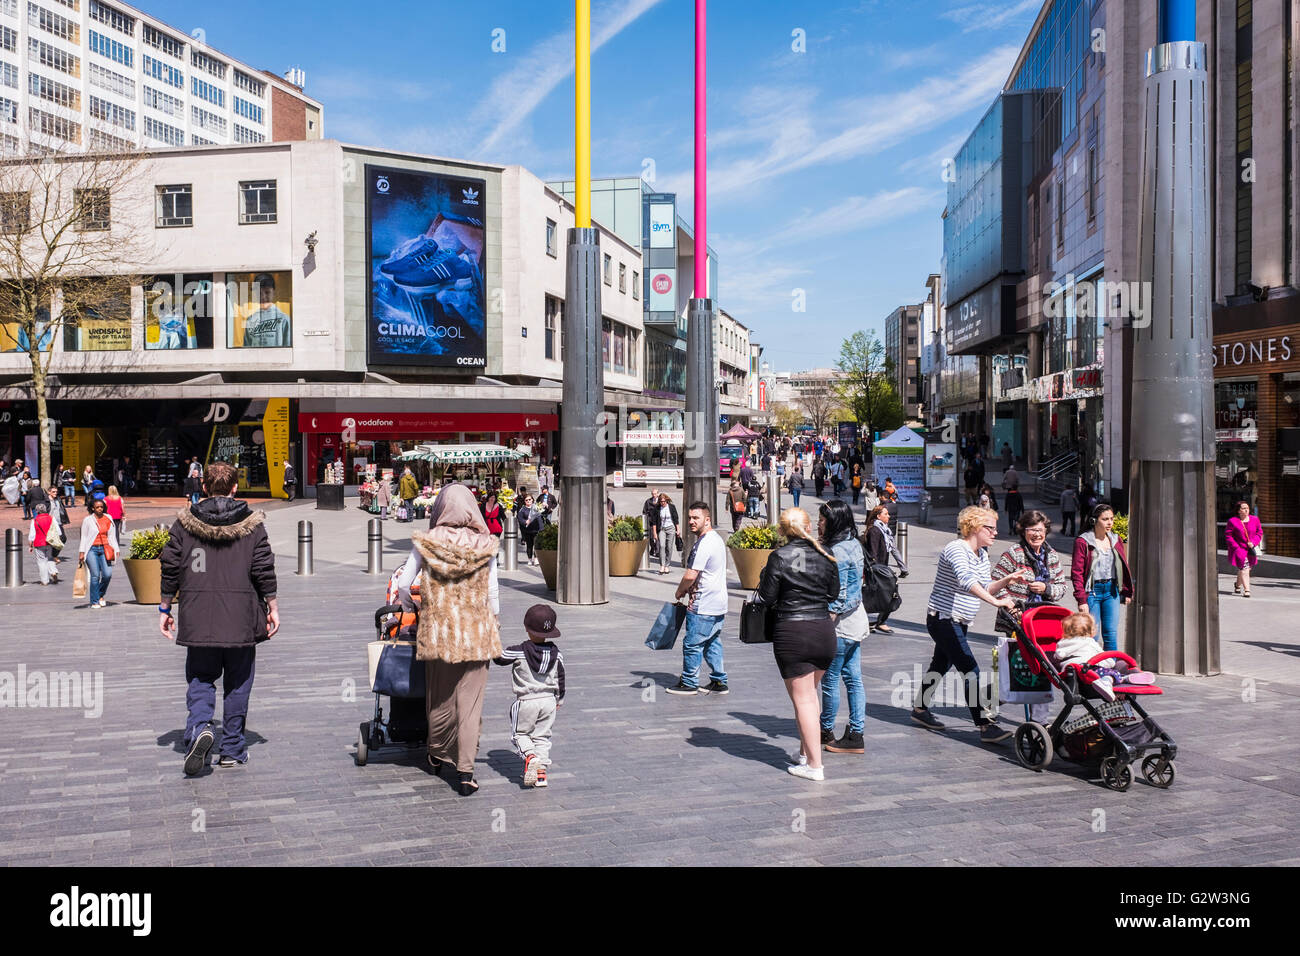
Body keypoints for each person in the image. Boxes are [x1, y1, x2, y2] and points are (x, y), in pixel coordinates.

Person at [159, 461, 278, 774]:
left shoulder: (184, 524)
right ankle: (233, 748)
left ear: (203, 487)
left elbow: (170, 565)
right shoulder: (252, 524)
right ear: (235, 488)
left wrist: (165, 607)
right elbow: (263, 567)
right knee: (238, 684)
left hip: (198, 617)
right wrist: (273, 606)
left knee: (200, 679)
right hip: (241, 619)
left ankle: (200, 728)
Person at [394, 483, 501, 796]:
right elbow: (493, 592)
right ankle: (466, 772)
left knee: (439, 698)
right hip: (477, 632)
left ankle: (436, 753)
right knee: (470, 705)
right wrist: (494, 618)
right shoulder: (486, 544)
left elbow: (403, 583)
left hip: (439, 630)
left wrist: (411, 606)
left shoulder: (426, 542)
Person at [910, 506, 1029, 742]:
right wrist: (996, 602)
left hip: (959, 620)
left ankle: (920, 710)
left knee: (940, 664)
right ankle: (985, 726)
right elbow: (966, 582)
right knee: (970, 670)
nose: (996, 533)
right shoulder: (956, 549)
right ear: (974, 527)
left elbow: (984, 586)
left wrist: (1006, 580)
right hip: (943, 618)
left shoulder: (982, 554)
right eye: (991, 528)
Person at [756, 508, 839, 781]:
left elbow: (767, 598)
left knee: (802, 699)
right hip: (823, 630)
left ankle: (815, 766)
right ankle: (805, 753)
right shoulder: (826, 555)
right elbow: (833, 592)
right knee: (810, 696)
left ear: (782, 530)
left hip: (793, 630)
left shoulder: (779, 557)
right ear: (810, 525)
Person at [493, 604, 566, 788]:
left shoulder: (519, 651)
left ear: (526, 628)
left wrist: (492, 635)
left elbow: (498, 657)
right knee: (542, 737)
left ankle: (530, 756)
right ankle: (541, 775)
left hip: (526, 701)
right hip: (549, 701)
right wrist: (559, 699)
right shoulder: (557, 655)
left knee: (520, 734)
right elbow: (561, 678)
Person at [818, 500, 868, 756]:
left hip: (840, 624)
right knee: (854, 679)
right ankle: (856, 732)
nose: (819, 523)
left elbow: (840, 594)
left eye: (823, 520)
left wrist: (828, 620)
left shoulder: (837, 550)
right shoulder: (854, 544)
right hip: (857, 620)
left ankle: (825, 729)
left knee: (830, 680)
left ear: (834, 521)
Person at [667, 502, 729, 696]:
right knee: (712, 642)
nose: (691, 522)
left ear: (707, 519)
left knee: (692, 644)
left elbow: (691, 575)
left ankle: (689, 682)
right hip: (718, 603)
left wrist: (679, 592)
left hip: (703, 604)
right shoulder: (716, 539)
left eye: (696, 518)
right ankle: (719, 681)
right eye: (690, 518)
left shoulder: (704, 543)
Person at [1070, 503, 1133, 652]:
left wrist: (1125, 590)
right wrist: (1081, 599)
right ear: (1094, 521)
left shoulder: (1115, 539)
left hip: (1111, 591)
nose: (1110, 522)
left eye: (1111, 519)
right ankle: (1092, 670)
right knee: (1092, 635)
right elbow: (1077, 572)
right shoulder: (1083, 541)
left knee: (1111, 634)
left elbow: (1122, 566)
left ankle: (1111, 669)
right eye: (1105, 519)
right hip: (1092, 592)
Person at [991, 510, 1068, 611]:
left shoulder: (1051, 555)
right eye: (1032, 530)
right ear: (1023, 532)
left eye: (1040, 530)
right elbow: (994, 583)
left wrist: (1046, 589)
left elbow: (1062, 586)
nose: (1037, 534)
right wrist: (1011, 607)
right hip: (1015, 618)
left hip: (1043, 616)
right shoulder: (1014, 553)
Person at [863, 504, 907, 634]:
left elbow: (892, 549)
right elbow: (873, 553)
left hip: (882, 569)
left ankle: (879, 622)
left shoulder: (884, 530)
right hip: (877, 571)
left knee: (888, 595)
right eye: (886, 514)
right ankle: (877, 622)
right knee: (887, 596)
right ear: (878, 516)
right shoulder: (875, 531)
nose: (889, 516)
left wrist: (903, 567)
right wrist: (877, 570)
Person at [78, 497, 120, 609]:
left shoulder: (108, 518)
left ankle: (100, 594)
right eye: (97, 507)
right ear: (93, 508)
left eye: (101, 507)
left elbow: (112, 536)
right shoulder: (88, 520)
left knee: (107, 574)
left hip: (105, 549)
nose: (100, 509)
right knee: (95, 575)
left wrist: (116, 549)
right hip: (92, 549)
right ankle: (94, 601)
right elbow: (84, 537)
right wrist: (81, 552)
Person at [239, 272, 292, 347]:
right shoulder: (250, 319)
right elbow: (247, 347)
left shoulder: (284, 319)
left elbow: (288, 347)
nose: (263, 297)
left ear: (274, 292)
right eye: (259, 293)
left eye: (267, 292)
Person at [1225, 499, 1264, 598]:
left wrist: (1254, 542)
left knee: (1245, 568)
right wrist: (1235, 547)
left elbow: (1259, 532)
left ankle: (1237, 585)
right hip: (1239, 549)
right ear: (1238, 510)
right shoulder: (1232, 521)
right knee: (1245, 568)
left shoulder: (1255, 519)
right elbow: (1228, 536)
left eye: (1247, 508)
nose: (1246, 510)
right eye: (1243, 508)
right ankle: (1247, 590)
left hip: (1250, 548)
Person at [28, 502, 59, 585]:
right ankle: (53, 571)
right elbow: (58, 531)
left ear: (37, 511)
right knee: (50, 558)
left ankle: (44, 581)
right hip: (49, 542)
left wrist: (30, 545)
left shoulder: (34, 521)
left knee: (41, 562)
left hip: (39, 543)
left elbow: (32, 535)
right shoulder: (51, 518)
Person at [649, 492, 680, 574]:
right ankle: (662, 565)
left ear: (667, 500)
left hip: (671, 529)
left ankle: (667, 565)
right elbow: (654, 522)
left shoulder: (672, 507)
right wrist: (655, 533)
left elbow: (676, 519)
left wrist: (678, 529)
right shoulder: (657, 508)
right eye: (661, 501)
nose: (662, 503)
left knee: (669, 547)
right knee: (662, 546)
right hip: (662, 529)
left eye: (664, 501)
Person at [517, 493, 544, 565]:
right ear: (524, 501)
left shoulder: (537, 507)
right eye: (526, 500)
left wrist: (541, 528)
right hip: (528, 530)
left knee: (536, 544)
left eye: (530, 499)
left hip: (536, 529)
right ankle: (529, 559)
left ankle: (536, 559)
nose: (528, 501)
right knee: (529, 545)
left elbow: (540, 518)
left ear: (532, 500)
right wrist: (525, 522)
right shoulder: (522, 509)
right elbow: (520, 518)